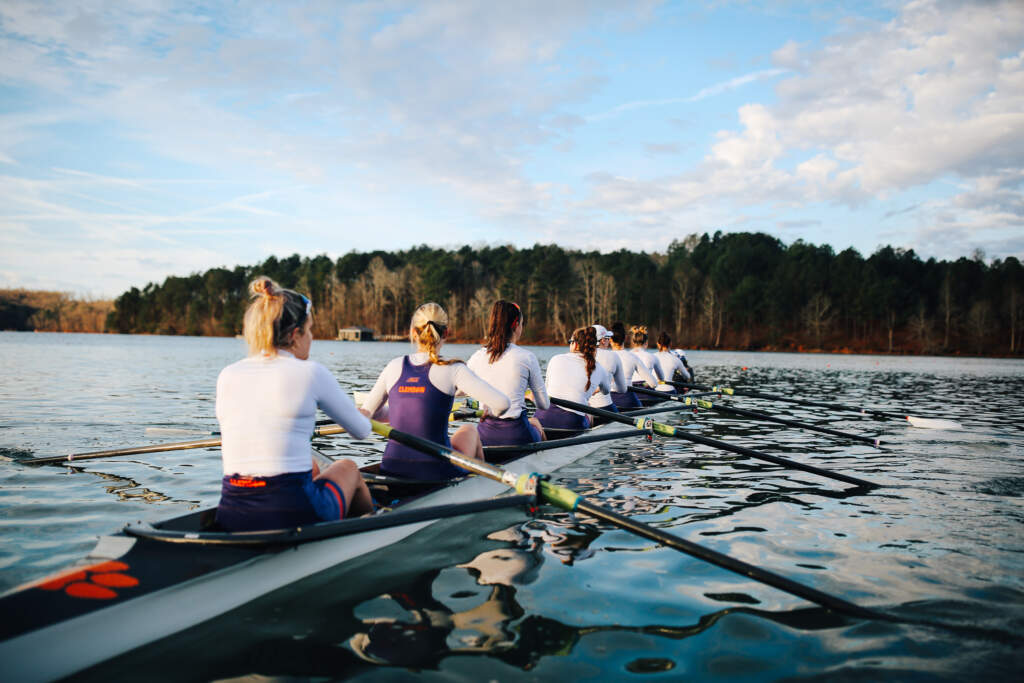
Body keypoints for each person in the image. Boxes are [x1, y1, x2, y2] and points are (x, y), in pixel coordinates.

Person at [215, 277, 373, 532]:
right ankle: (369, 533)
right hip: (293, 513)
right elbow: (362, 431)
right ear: (295, 334)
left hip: (232, 513)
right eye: (309, 330)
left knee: (310, 465)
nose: (311, 337)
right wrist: (362, 415)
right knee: (348, 467)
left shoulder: (227, 375)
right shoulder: (311, 373)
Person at [361, 303, 510, 481]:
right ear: (446, 333)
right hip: (434, 470)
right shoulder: (453, 368)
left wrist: (405, 412)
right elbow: (502, 404)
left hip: (392, 465)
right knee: (469, 430)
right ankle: (478, 489)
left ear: (414, 332)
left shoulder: (393, 366)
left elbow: (367, 414)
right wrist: (492, 411)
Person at [467, 300, 548, 446]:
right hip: (517, 434)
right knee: (535, 421)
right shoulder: (527, 357)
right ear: (516, 325)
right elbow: (544, 405)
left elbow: (459, 390)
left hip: (484, 435)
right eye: (522, 324)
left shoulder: (477, 356)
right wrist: (530, 396)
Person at [532, 326, 611, 431]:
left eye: (570, 341)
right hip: (571, 423)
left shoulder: (555, 358)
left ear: (575, 344)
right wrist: (595, 390)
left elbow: (546, 392)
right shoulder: (599, 368)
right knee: (589, 411)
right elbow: (606, 391)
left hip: (542, 418)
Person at [609, 322, 657, 409]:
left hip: (609, 402)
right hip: (628, 401)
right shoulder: (632, 357)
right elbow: (653, 384)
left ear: (610, 340)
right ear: (625, 339)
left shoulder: (604, 357)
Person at [589, 324, 628, 414]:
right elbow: (622, 389)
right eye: (608, 338)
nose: (609, 341)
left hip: (583, 408)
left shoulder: (580, 355)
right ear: (602, 340)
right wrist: (610, 383)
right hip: (605, 407)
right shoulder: (613, 356)